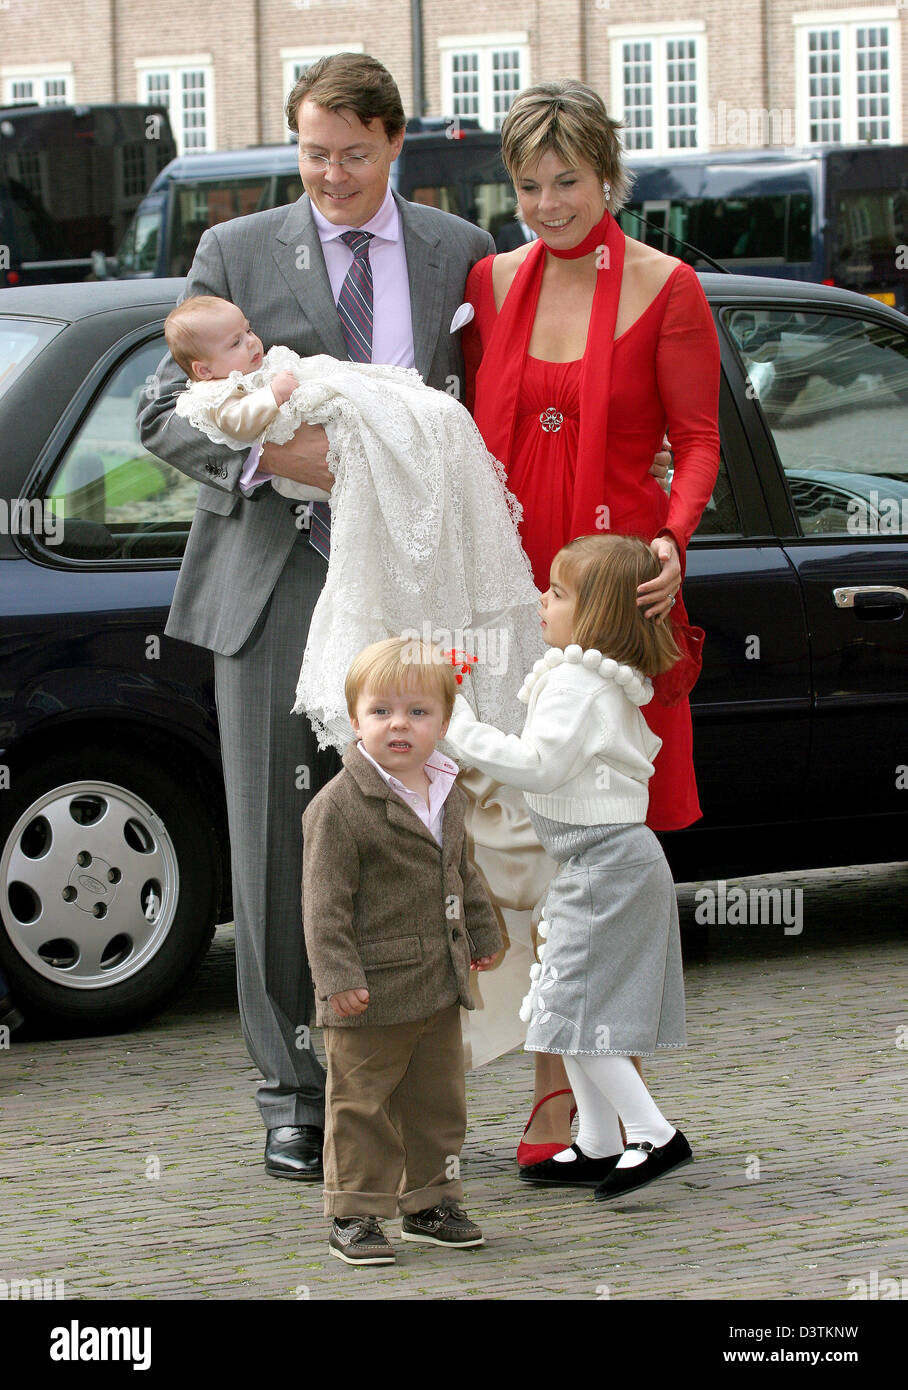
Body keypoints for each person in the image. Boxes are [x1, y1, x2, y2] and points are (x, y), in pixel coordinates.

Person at [137, 53, 496, 1182]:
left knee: (412, 837)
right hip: (277, 583)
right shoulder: (235, 250)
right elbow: (163, 410)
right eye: (311, 154)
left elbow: (476, 412)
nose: (330, 174)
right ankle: (292, 1093)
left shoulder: (460, 252)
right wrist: (279, 461)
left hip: (411, 589)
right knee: (279, 846)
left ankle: (397, 1088)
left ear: (395, 144)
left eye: (350, 153)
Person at [460, 80, 720, 1170]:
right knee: (521, 851)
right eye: (526, 184)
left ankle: (606, 1098)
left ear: (606, 174)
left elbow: (697, 439)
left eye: (566, 181)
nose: (546, 203)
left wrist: (670, 537)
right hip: (516, 592)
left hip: (614, 602)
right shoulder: (492, 277)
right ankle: (561, 1091)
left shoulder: (667, 286)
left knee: (603, 845)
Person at [444, 535, 692, 1200]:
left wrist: (455, 719)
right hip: (603, 862)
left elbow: (537, 765)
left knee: (572, 1010)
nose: (540, 602)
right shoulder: (584, 680)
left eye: (556, 593)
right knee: (569, 1006)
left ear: (596, 616)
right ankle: (600, 1141)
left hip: (602, 864)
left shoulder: (577, 686)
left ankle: (653, 1132)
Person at [302, 638, 503, 1264]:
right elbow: (323, 904)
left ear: (443, 723)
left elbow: (462, 872)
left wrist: (484, 933)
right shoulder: (338, 807)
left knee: (437, 1103)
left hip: (438, 984)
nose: (399, 724)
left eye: (418, 712)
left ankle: (431, 1200)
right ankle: (355, 1213)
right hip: (368, 991)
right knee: (359, 1104)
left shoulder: (449, 791)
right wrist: (337, 975)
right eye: (381, 710)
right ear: (354, 719)